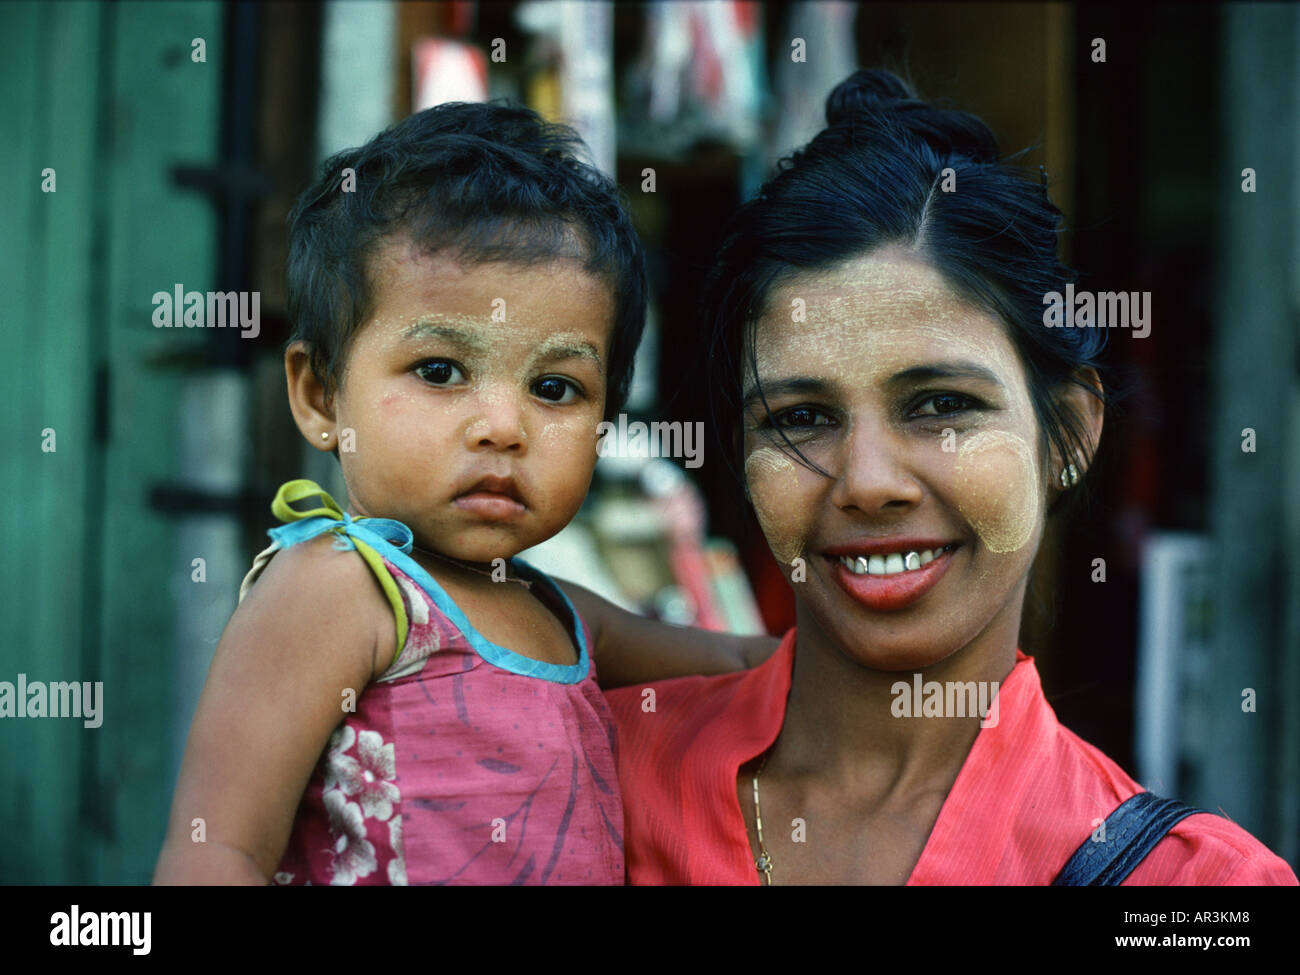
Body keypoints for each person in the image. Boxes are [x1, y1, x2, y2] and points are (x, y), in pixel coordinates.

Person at [603, 69, 1299, 885]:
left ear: (1068, 433)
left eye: (940, 404)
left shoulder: (1195, 889)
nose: (867, 482)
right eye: (801, 418)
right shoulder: (590, 777)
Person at [152, 101, 771, 886]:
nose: (504, 427)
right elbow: (217, 849)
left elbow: (748, 663)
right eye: (441, 371)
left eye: (554, 386)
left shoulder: (565, 617)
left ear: (605, 426)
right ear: (319, 396)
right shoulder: (340, 590)